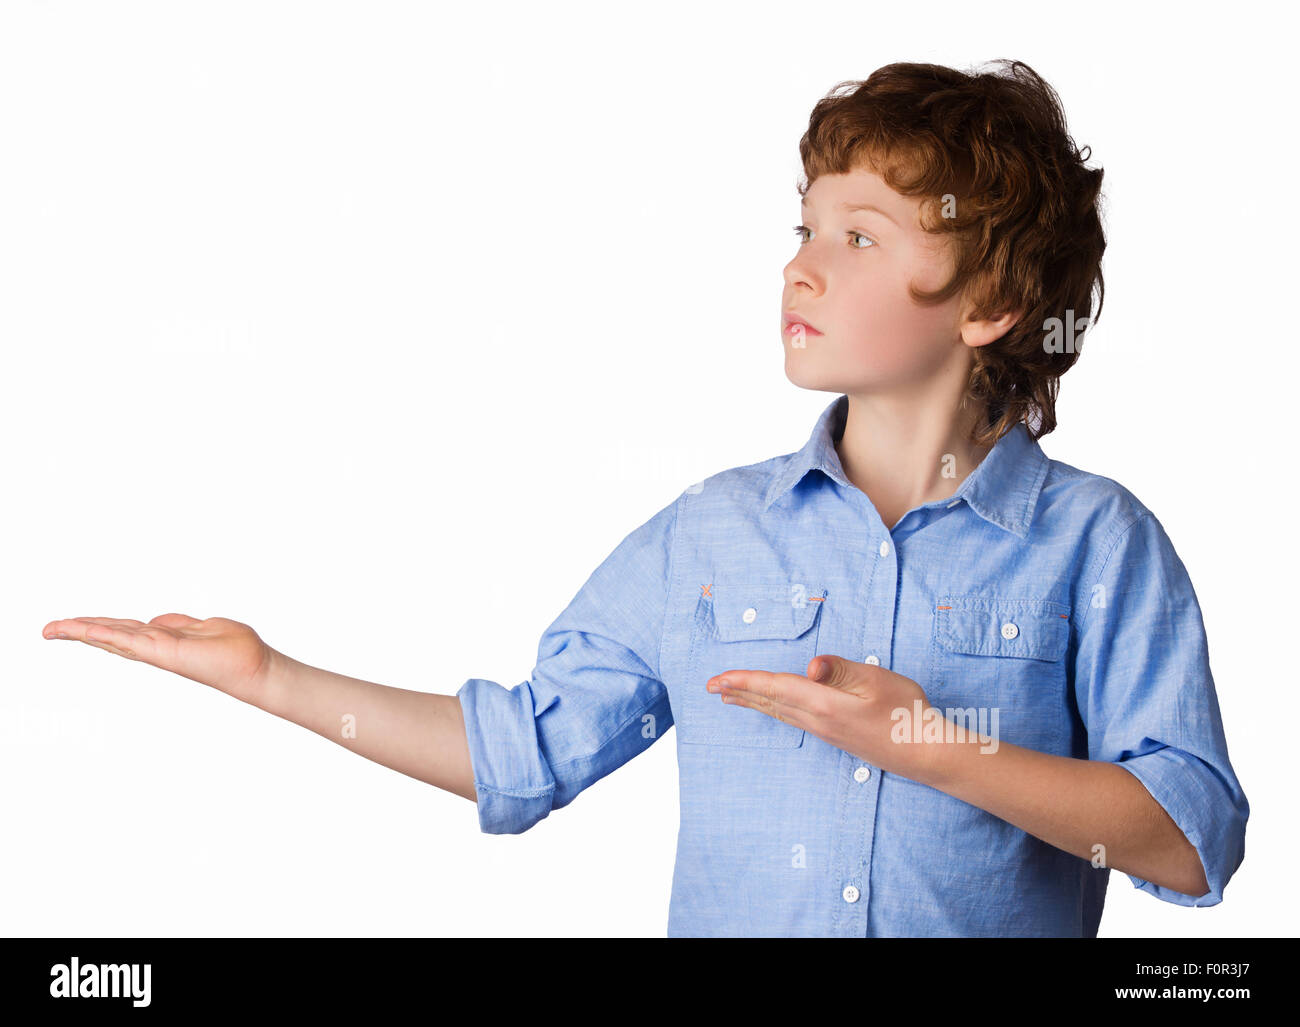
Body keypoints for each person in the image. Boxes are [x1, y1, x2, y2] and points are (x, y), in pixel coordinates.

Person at [43, 59, 1248, 937]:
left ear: (988, 305)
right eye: (804, 226)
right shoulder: (708, 535)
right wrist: (269, 677)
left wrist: (927, 744)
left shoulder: (1097, 545)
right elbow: (522, 749)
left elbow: (1190, 845)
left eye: (862, 237)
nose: (801, 263)